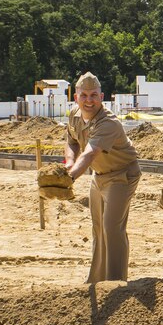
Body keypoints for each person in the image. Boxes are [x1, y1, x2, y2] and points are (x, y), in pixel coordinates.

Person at [63, 72, 141, 283]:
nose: (89, 100)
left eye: (94, 95)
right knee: (98, 228)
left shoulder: (108, 123)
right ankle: (97, 281)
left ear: (101, 96)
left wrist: (68, 179)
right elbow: (71, 141)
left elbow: (89, 153)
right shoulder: (74, 114)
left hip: (121, 174)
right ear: (76, 97)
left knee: (112, 227)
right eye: (84, 95)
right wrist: (69, 164)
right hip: (99, 175)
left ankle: (115, 283)